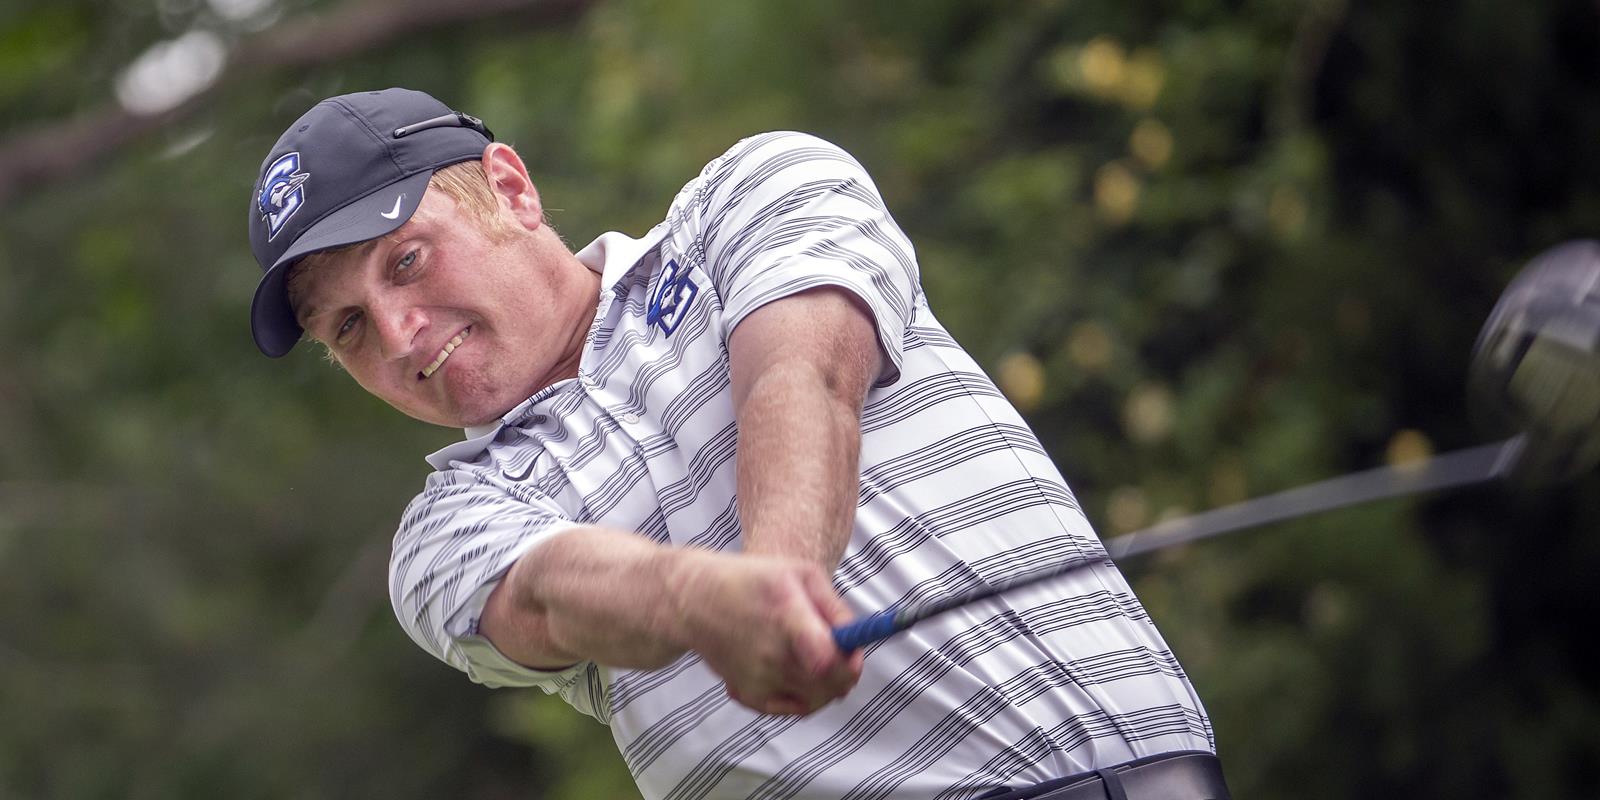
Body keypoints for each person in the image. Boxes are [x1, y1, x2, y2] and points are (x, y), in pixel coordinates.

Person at [246, 88, 1228, 800]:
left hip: (1115, 766)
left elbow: (800, 372)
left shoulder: (747, 196)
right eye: (351, 329)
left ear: (510, 188)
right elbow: (547, 590)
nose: (401, 333)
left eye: (405, 261)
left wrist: (778, 578)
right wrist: (705, 601)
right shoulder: (444, 527)